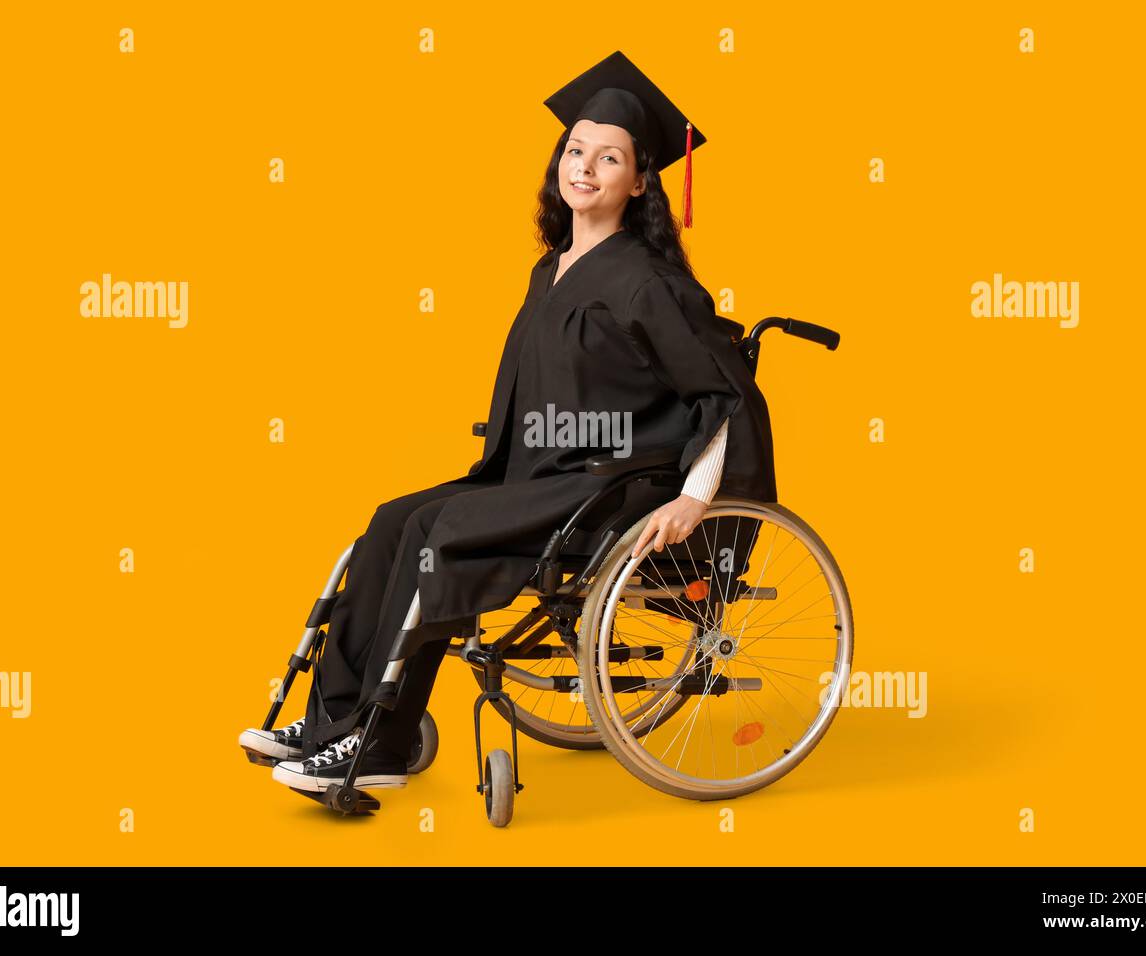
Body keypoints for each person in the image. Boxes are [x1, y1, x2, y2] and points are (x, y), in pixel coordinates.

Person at [238, 50, 778, 799]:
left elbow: (723, 393)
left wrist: (696, 496)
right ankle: (331, 721)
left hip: (609, 486)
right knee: (394, 521)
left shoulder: (648, 284)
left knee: (441, 534)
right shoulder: (551, 268)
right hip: (538, 475)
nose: (584, 167)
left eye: (609, 157)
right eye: (576, 150)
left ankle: (380, 742)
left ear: (640, 180)